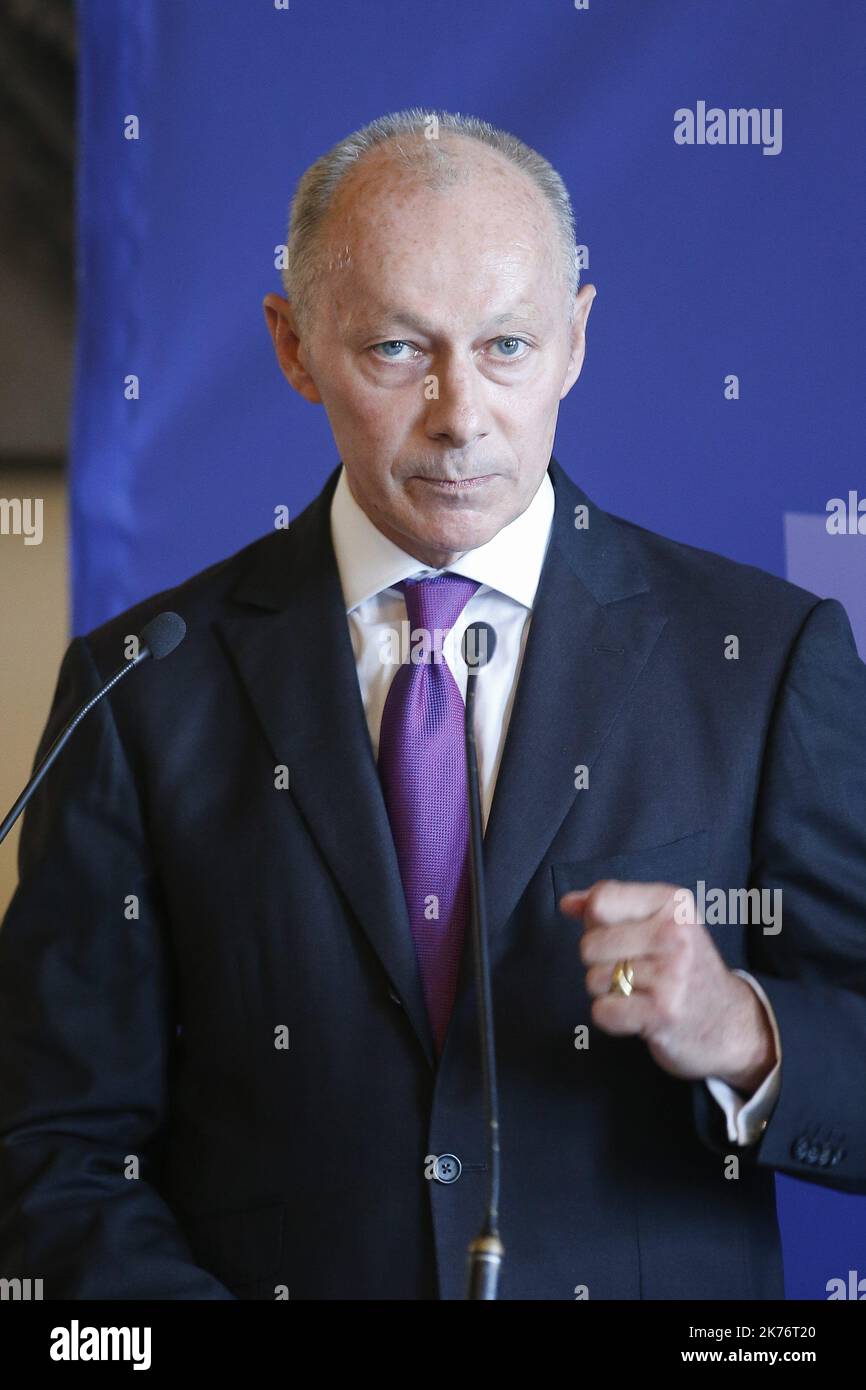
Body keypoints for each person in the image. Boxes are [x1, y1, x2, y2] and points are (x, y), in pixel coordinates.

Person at [1, 109, 864, 1301]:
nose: (461, 413)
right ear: (293, 346)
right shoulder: (141, 685)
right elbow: (56, 1144)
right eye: (399, 350)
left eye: (506, 346)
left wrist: (746, 1031)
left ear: (575, 338)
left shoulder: (764, 659)